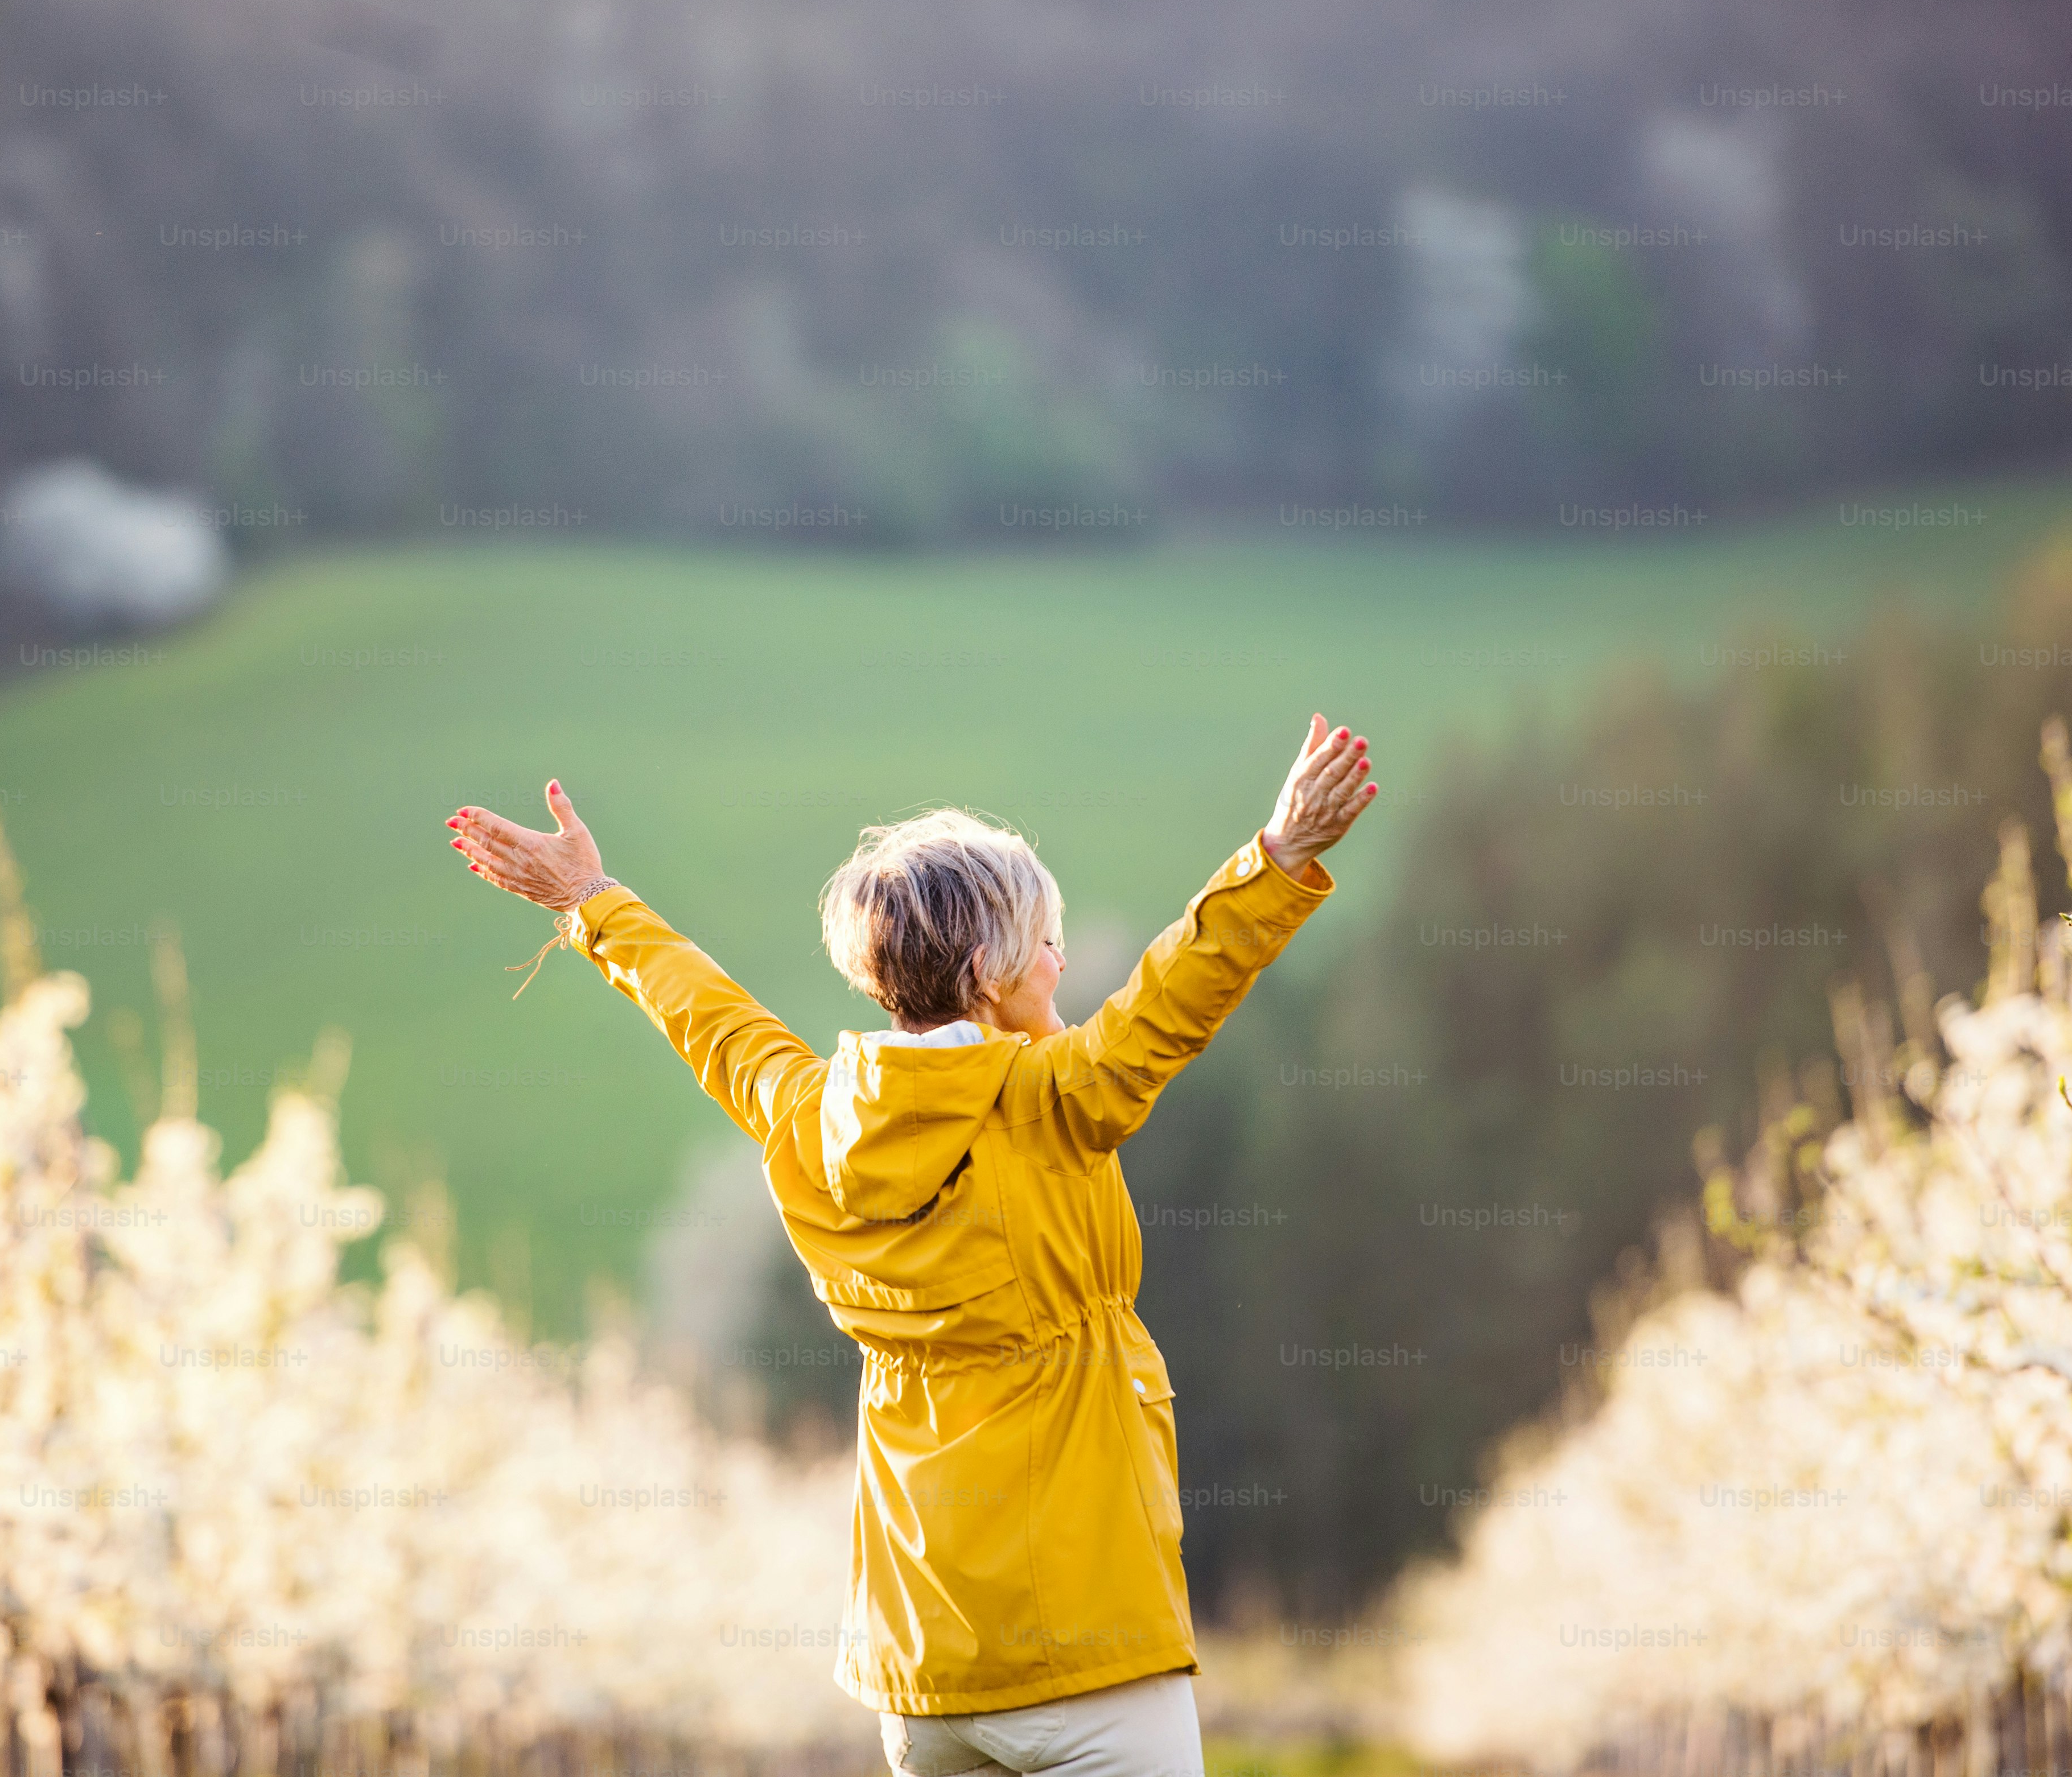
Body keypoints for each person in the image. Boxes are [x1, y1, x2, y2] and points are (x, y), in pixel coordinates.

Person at [446, 715, 1377, 1776]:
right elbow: (1173, 1000)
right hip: (1088, 1654)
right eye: (1046, 939)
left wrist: (590, 902)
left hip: (922, 1674)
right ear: (988, 967)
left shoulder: (809, 1114)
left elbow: (707, 1015)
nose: (1064, 959)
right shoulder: (1055, 1098)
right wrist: (1281, 857)